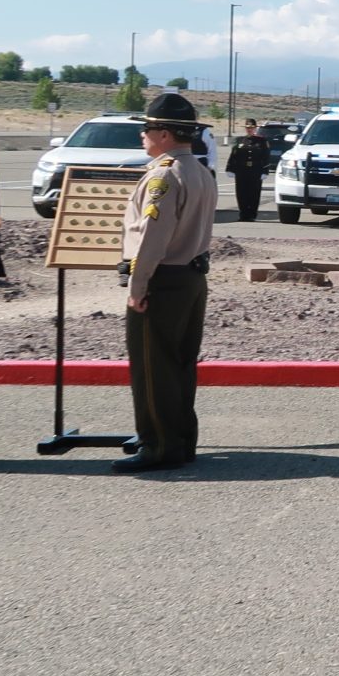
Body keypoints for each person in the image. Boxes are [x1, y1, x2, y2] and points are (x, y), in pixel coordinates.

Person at [115, 93, 218, 473]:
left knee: (153, 367)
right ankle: (181, 439)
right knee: (179, 364)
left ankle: (158, 445)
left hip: (163, 280)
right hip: (192, 276)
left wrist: (137, 285)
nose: (143, 135)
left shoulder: (163, 175)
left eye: (147, 128)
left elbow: (151, 239)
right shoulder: (199, 171)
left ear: (164, 134)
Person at [225, 118, 272, 221]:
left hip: (255, 170)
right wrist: (229, 168)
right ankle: (243, 214)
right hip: (241, 170)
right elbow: (233, 155)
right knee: (241, 193)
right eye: (247, 128)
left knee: (254, 193)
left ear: (255, 128)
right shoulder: (240, 140)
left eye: (251, 127)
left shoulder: (262, 141)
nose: (249, 129)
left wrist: (265, 171)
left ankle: (252, 215)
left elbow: (266, 156)